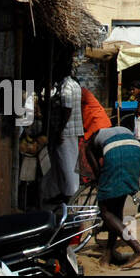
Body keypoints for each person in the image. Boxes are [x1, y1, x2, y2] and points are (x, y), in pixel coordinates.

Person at [79, 90, 140, 270]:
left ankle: (138, 250)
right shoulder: (128, 135)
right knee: (115, 212)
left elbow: (97, 171)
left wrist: (99, 181)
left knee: (105, 212)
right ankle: (108, 256)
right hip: (133, 155)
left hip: (116, 157)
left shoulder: (92, 142)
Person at [40, 65, 83, 208]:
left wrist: (60, 130)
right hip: (72, 130)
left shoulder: (65, 87)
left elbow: (67, 109)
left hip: (66, 131)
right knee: (67, 163)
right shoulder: (74, 84)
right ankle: (66, 193)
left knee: (67, 164)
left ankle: (70, 196)